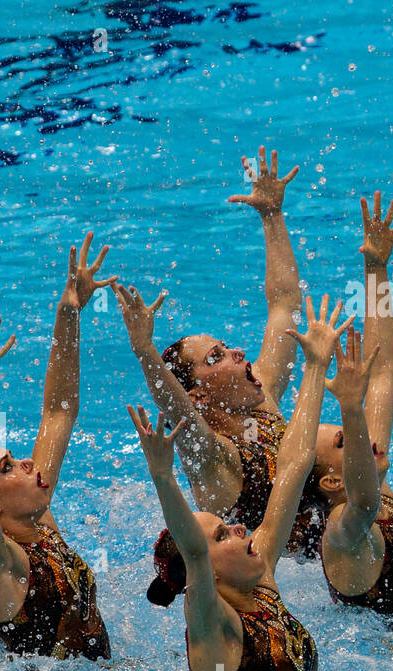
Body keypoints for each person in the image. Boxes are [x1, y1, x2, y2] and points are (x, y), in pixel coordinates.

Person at [136, 295, 353, 671]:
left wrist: (316, 367)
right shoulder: (214, 631)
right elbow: (194, 554)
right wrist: (162, 477)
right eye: (222, 534)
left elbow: (293, 464)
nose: (239, 529)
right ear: (205, 571)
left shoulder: (264, 575)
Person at [118, 145, 324, 557]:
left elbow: (284, 304)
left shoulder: (262, 400)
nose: (237, 353)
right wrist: (145, 352)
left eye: (226, 347)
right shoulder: (215, 462)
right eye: (216, 358)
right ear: (198, 395)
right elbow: (177, 412)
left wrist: (272, 217)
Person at [0, 234, 113, 661]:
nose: (27, 461)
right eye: (9, 467)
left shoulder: (38, 519)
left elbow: (58, 413)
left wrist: (68, 315)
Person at [312, 194, 393, 613]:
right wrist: (349, 408)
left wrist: (376, 269)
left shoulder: (374, 473)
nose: (362, 437)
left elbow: (383, 371)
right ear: (333, 483)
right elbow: (363, 504)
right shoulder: (342, 534)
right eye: (346, 441)